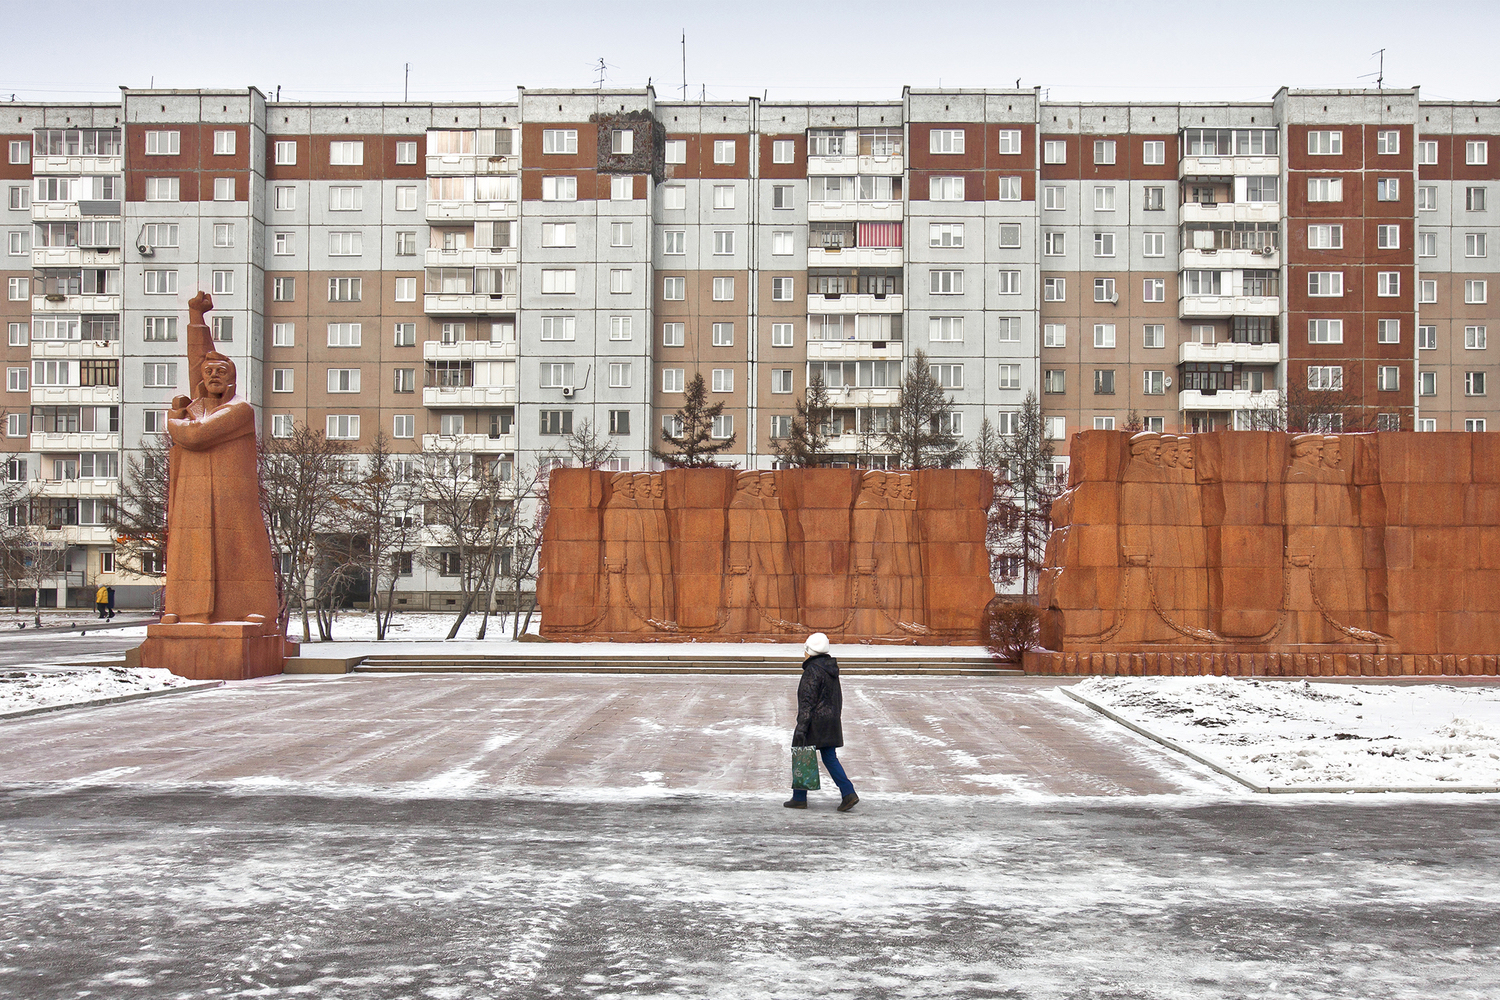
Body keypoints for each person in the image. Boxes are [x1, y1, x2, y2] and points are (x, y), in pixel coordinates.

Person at [785, 632, 859, 812]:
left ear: (809, 651)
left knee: (802, 752)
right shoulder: (830, 668)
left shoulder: (812, 670)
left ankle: (799, 798)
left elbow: (807, 701)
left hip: (814, 721)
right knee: (829, 757)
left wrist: (802, 726)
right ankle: (848, 792)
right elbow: (837, 697)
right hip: (830, 719)